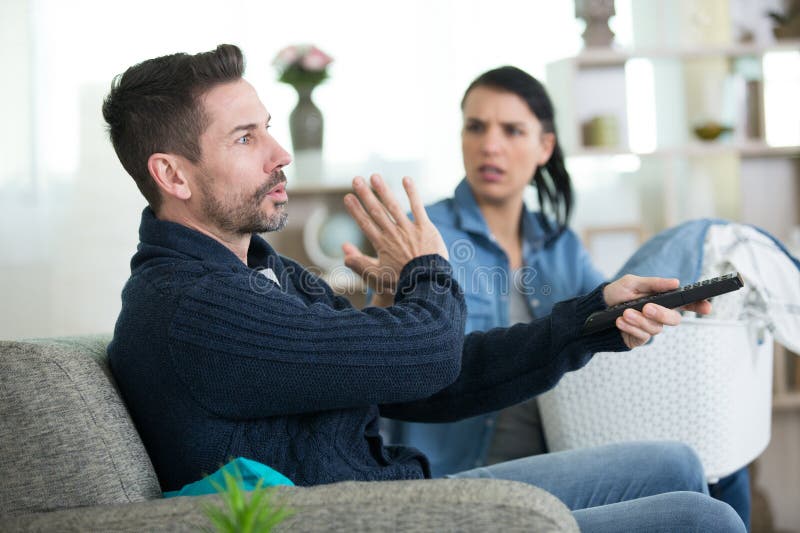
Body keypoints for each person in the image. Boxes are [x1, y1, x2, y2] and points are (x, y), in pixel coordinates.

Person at [102, 44, 743, 532]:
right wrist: (426, 268)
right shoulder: (194, 307)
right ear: (172, 175)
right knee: (703, 518)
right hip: (385, 518)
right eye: (246, 138)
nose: (280, 152)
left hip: (404, 495)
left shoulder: (264, 272)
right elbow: (428, 355)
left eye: (267, 126)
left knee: (677, 463)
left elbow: (436, 374)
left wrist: (592, 318)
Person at [381, 65, 752, 528]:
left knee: (721, 467)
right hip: (461, 467)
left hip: (559, 451)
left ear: (545, 147)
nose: (489, 145)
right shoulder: (424, 237)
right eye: (475, 127)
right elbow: (401, 361)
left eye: (512, 130)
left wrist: (638, 320)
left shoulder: (559, 244)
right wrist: (387, 299)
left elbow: (602, 333)